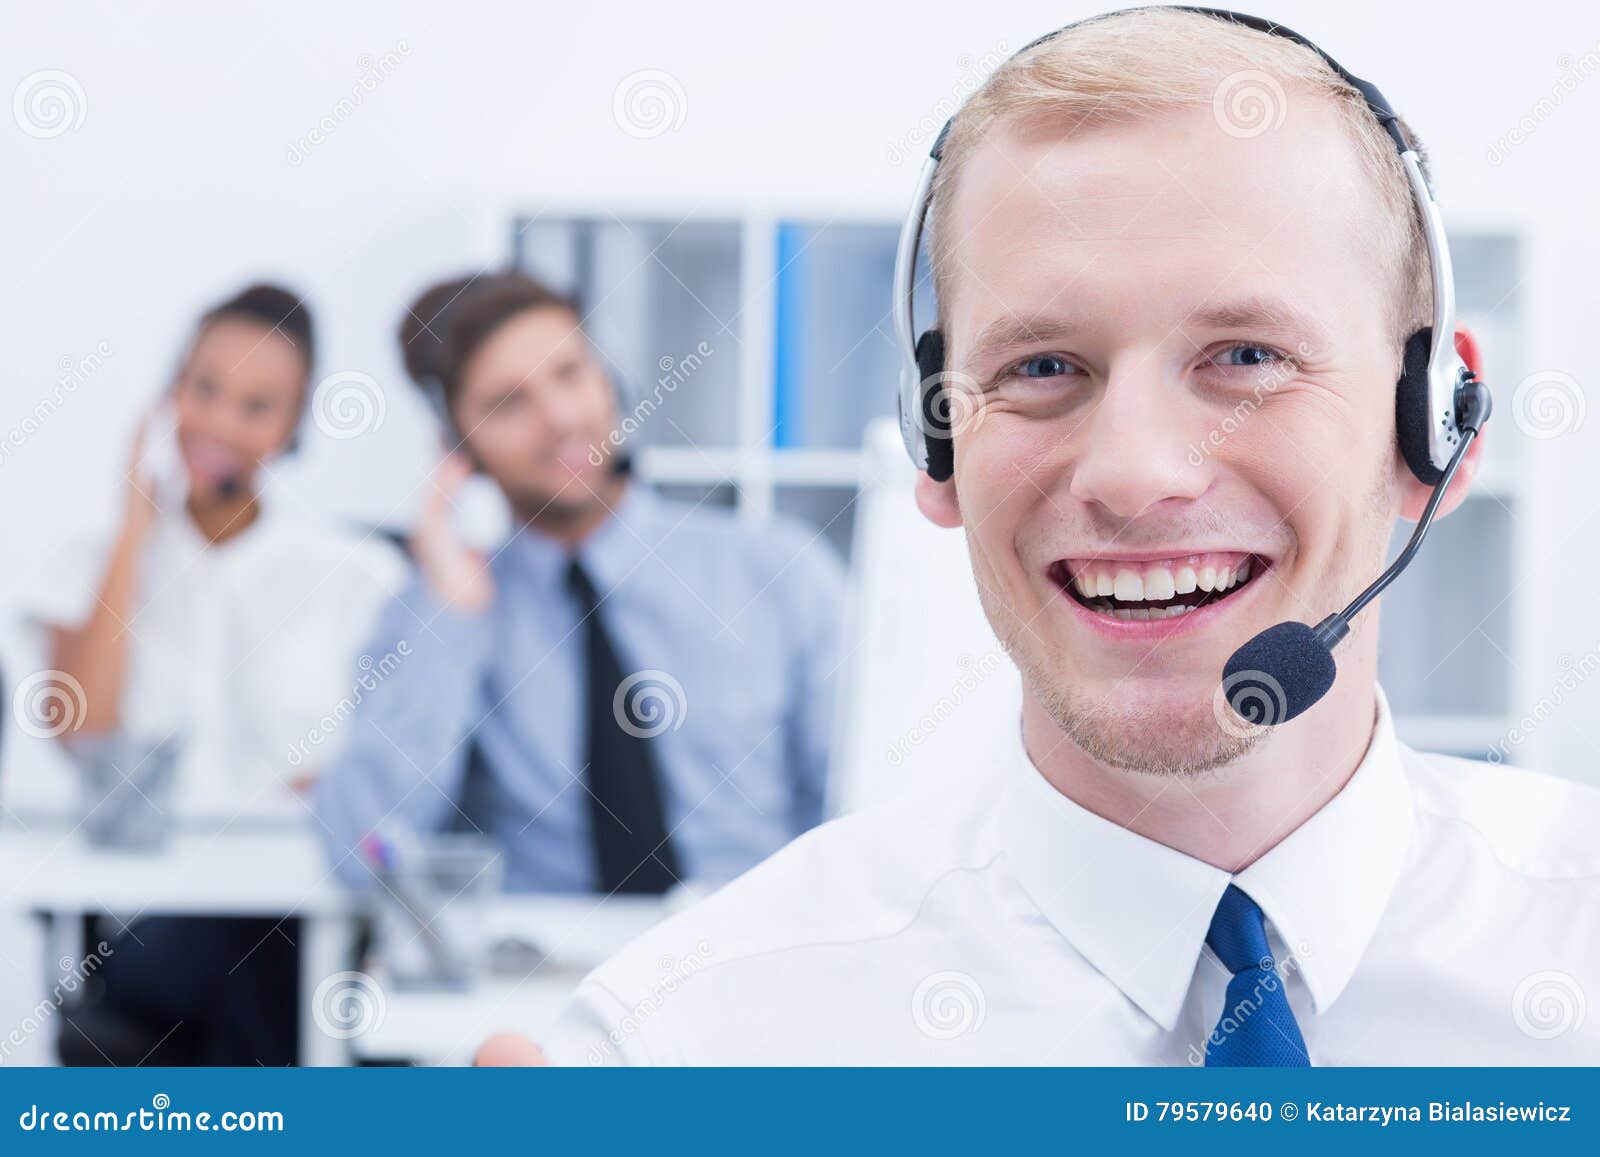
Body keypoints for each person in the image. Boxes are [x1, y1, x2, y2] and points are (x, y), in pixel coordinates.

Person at [479, 8, 1597, 1065]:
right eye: (1043, 367)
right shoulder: (691, 1043)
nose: (1133, 473)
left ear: (1439, 421)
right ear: (939, 442)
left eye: (1245, 354)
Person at [313, 273, 845, 895]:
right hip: (550, 978)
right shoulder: (434, 615)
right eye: (508, 403)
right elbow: (361, 853)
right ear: (459, 446)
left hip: (756, 959)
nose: (561, 418)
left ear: (608, 382)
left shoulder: (779, 572)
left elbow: (862, 806)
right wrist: (451, 623)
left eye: (569, 374)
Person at [34, 283, 406, 1065]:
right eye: (204, 389)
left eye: (257, 404)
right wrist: (135, 529)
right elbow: (80, 733)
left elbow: (399, 762)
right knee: (245, 960)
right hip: (148, 925)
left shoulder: (353, 574)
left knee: (264, 948)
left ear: (294, 425)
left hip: (308, 913)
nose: (222, 422)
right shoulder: (95, 565)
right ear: (171, 391)